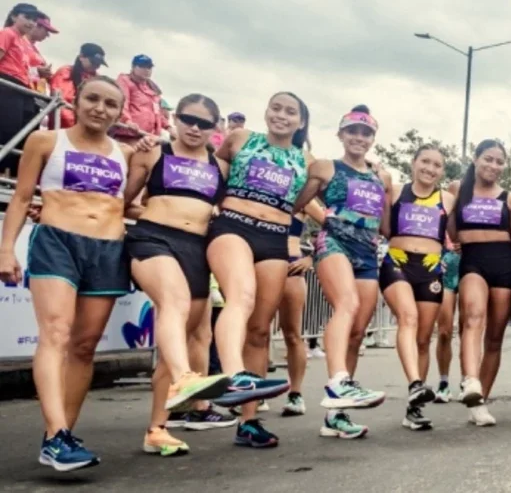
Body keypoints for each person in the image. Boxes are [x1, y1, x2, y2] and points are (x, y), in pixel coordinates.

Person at [0, 77, 135, 471]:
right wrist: (7, 249)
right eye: (92, 98)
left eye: (110, 104)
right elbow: (23, 197)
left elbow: (131, 205)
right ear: (76, 100)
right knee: (56, 333)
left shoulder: (125, 152)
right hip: (57, 241)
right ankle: (57, 434)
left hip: (109, 248)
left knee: (84, 345)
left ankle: (59, 438)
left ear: (119, 112)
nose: (100, 108)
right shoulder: (47, 141)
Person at [122, 93, 233, 456]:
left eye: (204, 123)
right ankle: (187, 380)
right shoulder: (154, 151)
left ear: (215, 128)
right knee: (175, 301)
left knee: (184, 340)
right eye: (188, 119)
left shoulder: (221, 167)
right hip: (153, 239)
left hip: (196, 249)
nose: (194, 128)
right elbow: (122, 199)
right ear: (175, 119)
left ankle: (156, 429)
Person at [207, 92, 309, 448]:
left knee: (261, 330)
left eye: (290, 112)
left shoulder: (306, 160)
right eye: (276, 108)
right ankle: (233, 375)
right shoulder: (240, 138)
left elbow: (316, 205)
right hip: (234, 225)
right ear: (266, 112)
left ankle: (248, 421)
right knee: (241, 297)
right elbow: (209, 173)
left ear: (300, 122)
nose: (281, 115)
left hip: (276, 238)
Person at [292, 105, 391, 439]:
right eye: (352, 131)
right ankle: (337, 382)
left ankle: (337, 415)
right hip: (334, 242)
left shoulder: (381, 177)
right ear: (341, 134)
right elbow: (297, 203)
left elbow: (387, 224)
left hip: (367, 250)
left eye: (365, 133)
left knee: (358, 331)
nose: (359, 138)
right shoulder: (325, 167)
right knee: (346, 305)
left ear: (373, 139)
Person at [379, 145, 455, 430]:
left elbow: (455, 233)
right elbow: (385, 229)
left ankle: (414, 408)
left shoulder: (448, 199)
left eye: (437, 165)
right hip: (397, 262)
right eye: (425, 162)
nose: (430, 169)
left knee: (423, 339)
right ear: (413, 163)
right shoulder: (396, 191)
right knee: (408, 318)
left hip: (430, 268)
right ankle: (414, 384)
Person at [447, 139, 511, 426]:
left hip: (503, 264)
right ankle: (471, 382)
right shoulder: (457, 190)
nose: (494, 166)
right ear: (476, 159)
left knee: (496, 336)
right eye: (488, 159)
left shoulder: (509, 198)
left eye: (500, 161)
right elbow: (451, 228)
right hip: (472, 262)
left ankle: (481, 402)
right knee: (473, 318)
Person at [278, 205, 324, 418]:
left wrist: (311, 258)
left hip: (291, 264)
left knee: (292, 334)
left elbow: (333, 226)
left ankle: (295, 393)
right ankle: (254, 396)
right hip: (259, 261)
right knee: (256, 332)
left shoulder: (303, 195)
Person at [0, 3, 40, 176]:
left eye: (34, 20)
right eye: (27, 17)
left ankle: (9, 173)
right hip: (7, 84)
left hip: (23, 88)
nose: (31, 23)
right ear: (14, 16)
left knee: (23, 134)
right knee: (7, 130)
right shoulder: (7, 33)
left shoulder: (23, 42)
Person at [433, 179, 463, 404]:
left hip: (470, 266)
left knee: (468, 329)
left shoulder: (478, 206)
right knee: (444, 330)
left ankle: (467, 379)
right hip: (445, 266)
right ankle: (443, 381)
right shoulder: (441, 205)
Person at [49, 43, 108, 130]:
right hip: (64, 125)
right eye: (93, 62)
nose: (96, 66)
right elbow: (62, 101)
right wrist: (79, 125)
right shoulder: (66, 72)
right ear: (81, 57)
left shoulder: (97, 79)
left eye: (99, 64)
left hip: (86, 127)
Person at [113, 55, 165, 147]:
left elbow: (158, 113)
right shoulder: (124, 81)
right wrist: (127, 121)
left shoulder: (153, 88)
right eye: (142, 66)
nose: (146, 70)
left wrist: (169, 127)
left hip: (149, 137)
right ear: (133, 67)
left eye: (149, 67)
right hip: (127, 136)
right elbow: (121, 103)